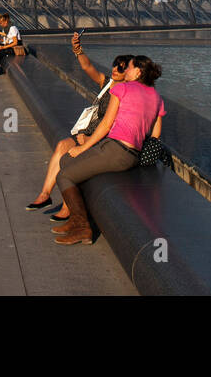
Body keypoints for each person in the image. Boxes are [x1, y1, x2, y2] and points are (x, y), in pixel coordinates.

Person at [51, 55, 165, 246]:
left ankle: (82, 227)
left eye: (128, 68)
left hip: (115, 150)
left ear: (138, 72)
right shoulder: (156, 97)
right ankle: (75, 218)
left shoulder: (121, 88)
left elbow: (105, 124)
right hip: (131, 154)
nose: (124, 71)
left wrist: (84, 147)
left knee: (64, 176)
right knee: (66, 161)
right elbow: (156, 134)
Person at [26, 33, 133, 220]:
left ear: (129, 73)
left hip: (102, 140)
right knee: (61, 146)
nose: (116, 69)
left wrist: (89, 142)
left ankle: (68, 209)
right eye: (115, 64)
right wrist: (77, 48)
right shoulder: (107, 84)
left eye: (121, 68)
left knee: (71, 161)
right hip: (88, 133)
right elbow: (87, 66)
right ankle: (45, 194)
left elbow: (113, 125)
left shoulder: (127, 94)